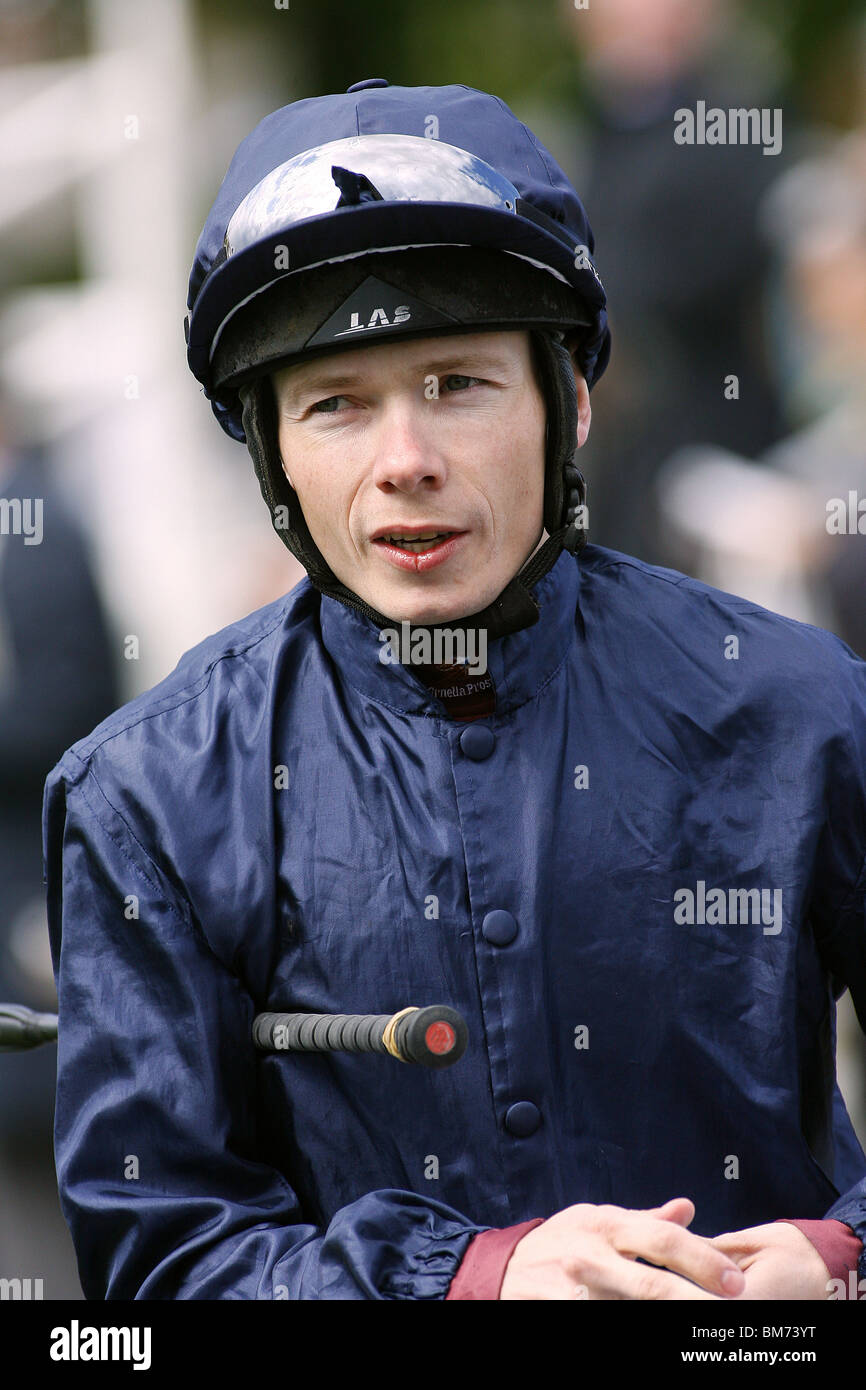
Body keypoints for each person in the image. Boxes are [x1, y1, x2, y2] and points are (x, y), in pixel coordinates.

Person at [43, 79, 866, 1301]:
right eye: (335, 405)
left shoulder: (807, 708)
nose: (404, 464)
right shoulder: (148, 794)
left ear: (566, 402)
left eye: (457, 385)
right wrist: (469, 1281)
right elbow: (157, 1264)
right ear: (270, 451)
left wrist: (843, 1255)